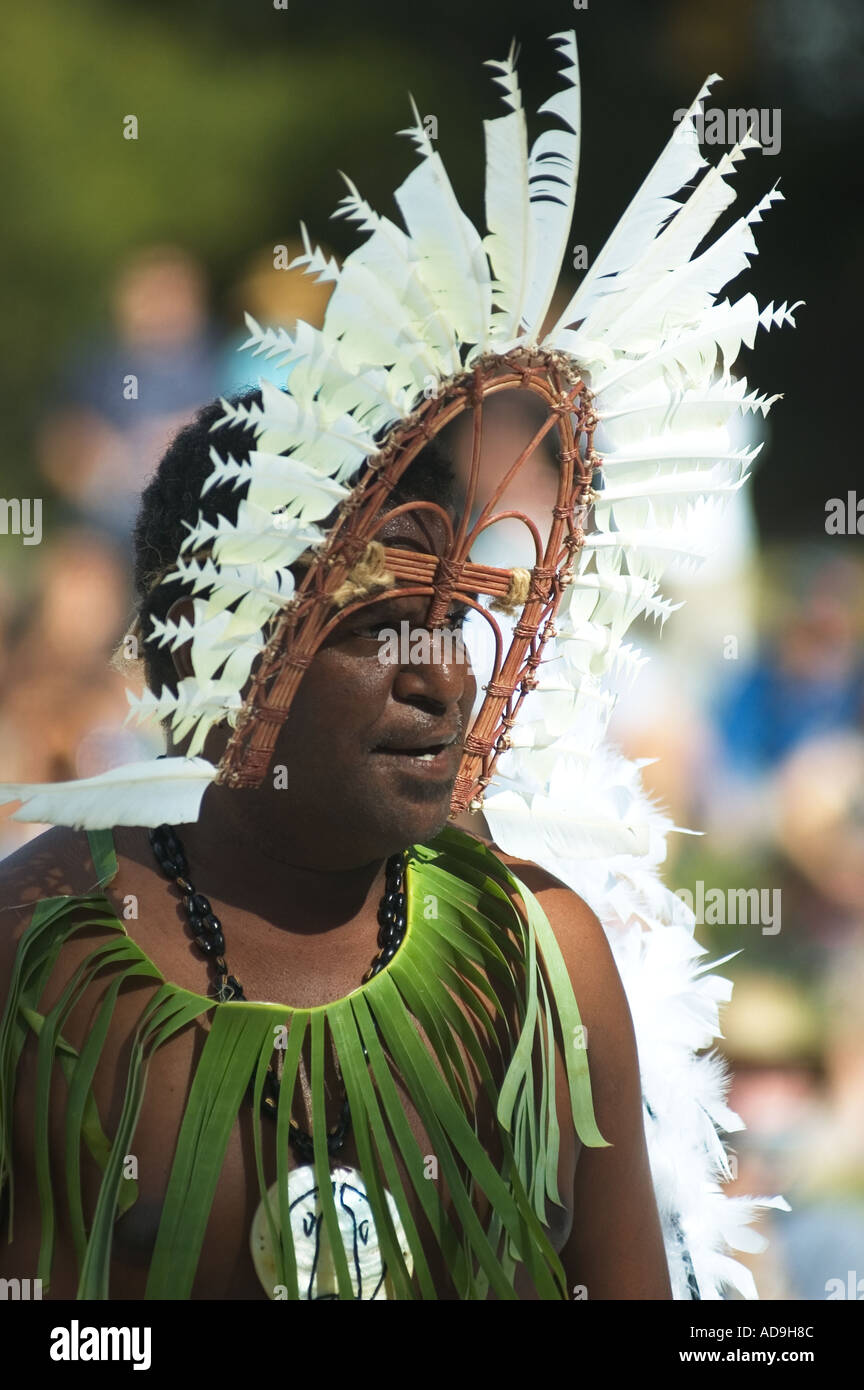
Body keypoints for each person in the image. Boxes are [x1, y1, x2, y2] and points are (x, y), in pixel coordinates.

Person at [0, 392, 671, 1300]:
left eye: (451, 620)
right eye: (371, 630)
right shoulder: (38, 960)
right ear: (203, 656)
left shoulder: (548, 960)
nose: (440, 680)